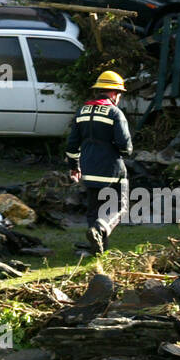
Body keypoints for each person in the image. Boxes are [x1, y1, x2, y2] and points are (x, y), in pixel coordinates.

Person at [65, 69, 133, 254]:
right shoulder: (115, 113)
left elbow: (72, 145)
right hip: (112, 169)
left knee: (93, 210)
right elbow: (125, 147)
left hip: (88, 169)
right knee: (120, 207)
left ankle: (97, 248)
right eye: (119, 94)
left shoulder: (82, 111)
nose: (119, 98)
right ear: (113, 93)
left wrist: (74, 167)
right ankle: (100, 229)